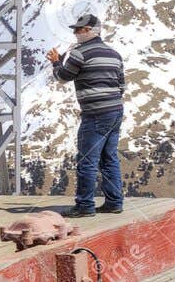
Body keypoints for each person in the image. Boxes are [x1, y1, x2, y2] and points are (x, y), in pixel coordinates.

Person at [47, 12, 125, 217]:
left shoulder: (79, 53)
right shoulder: (114, 54)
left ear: (90, 30)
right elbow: (121, 85)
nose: (76, 33)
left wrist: (56, 62)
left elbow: (63, 77)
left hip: (95, 113)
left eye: (79, 29)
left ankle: (85, 206)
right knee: (109, 158)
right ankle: (114, 203)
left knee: (87, 160)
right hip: (115, 111)